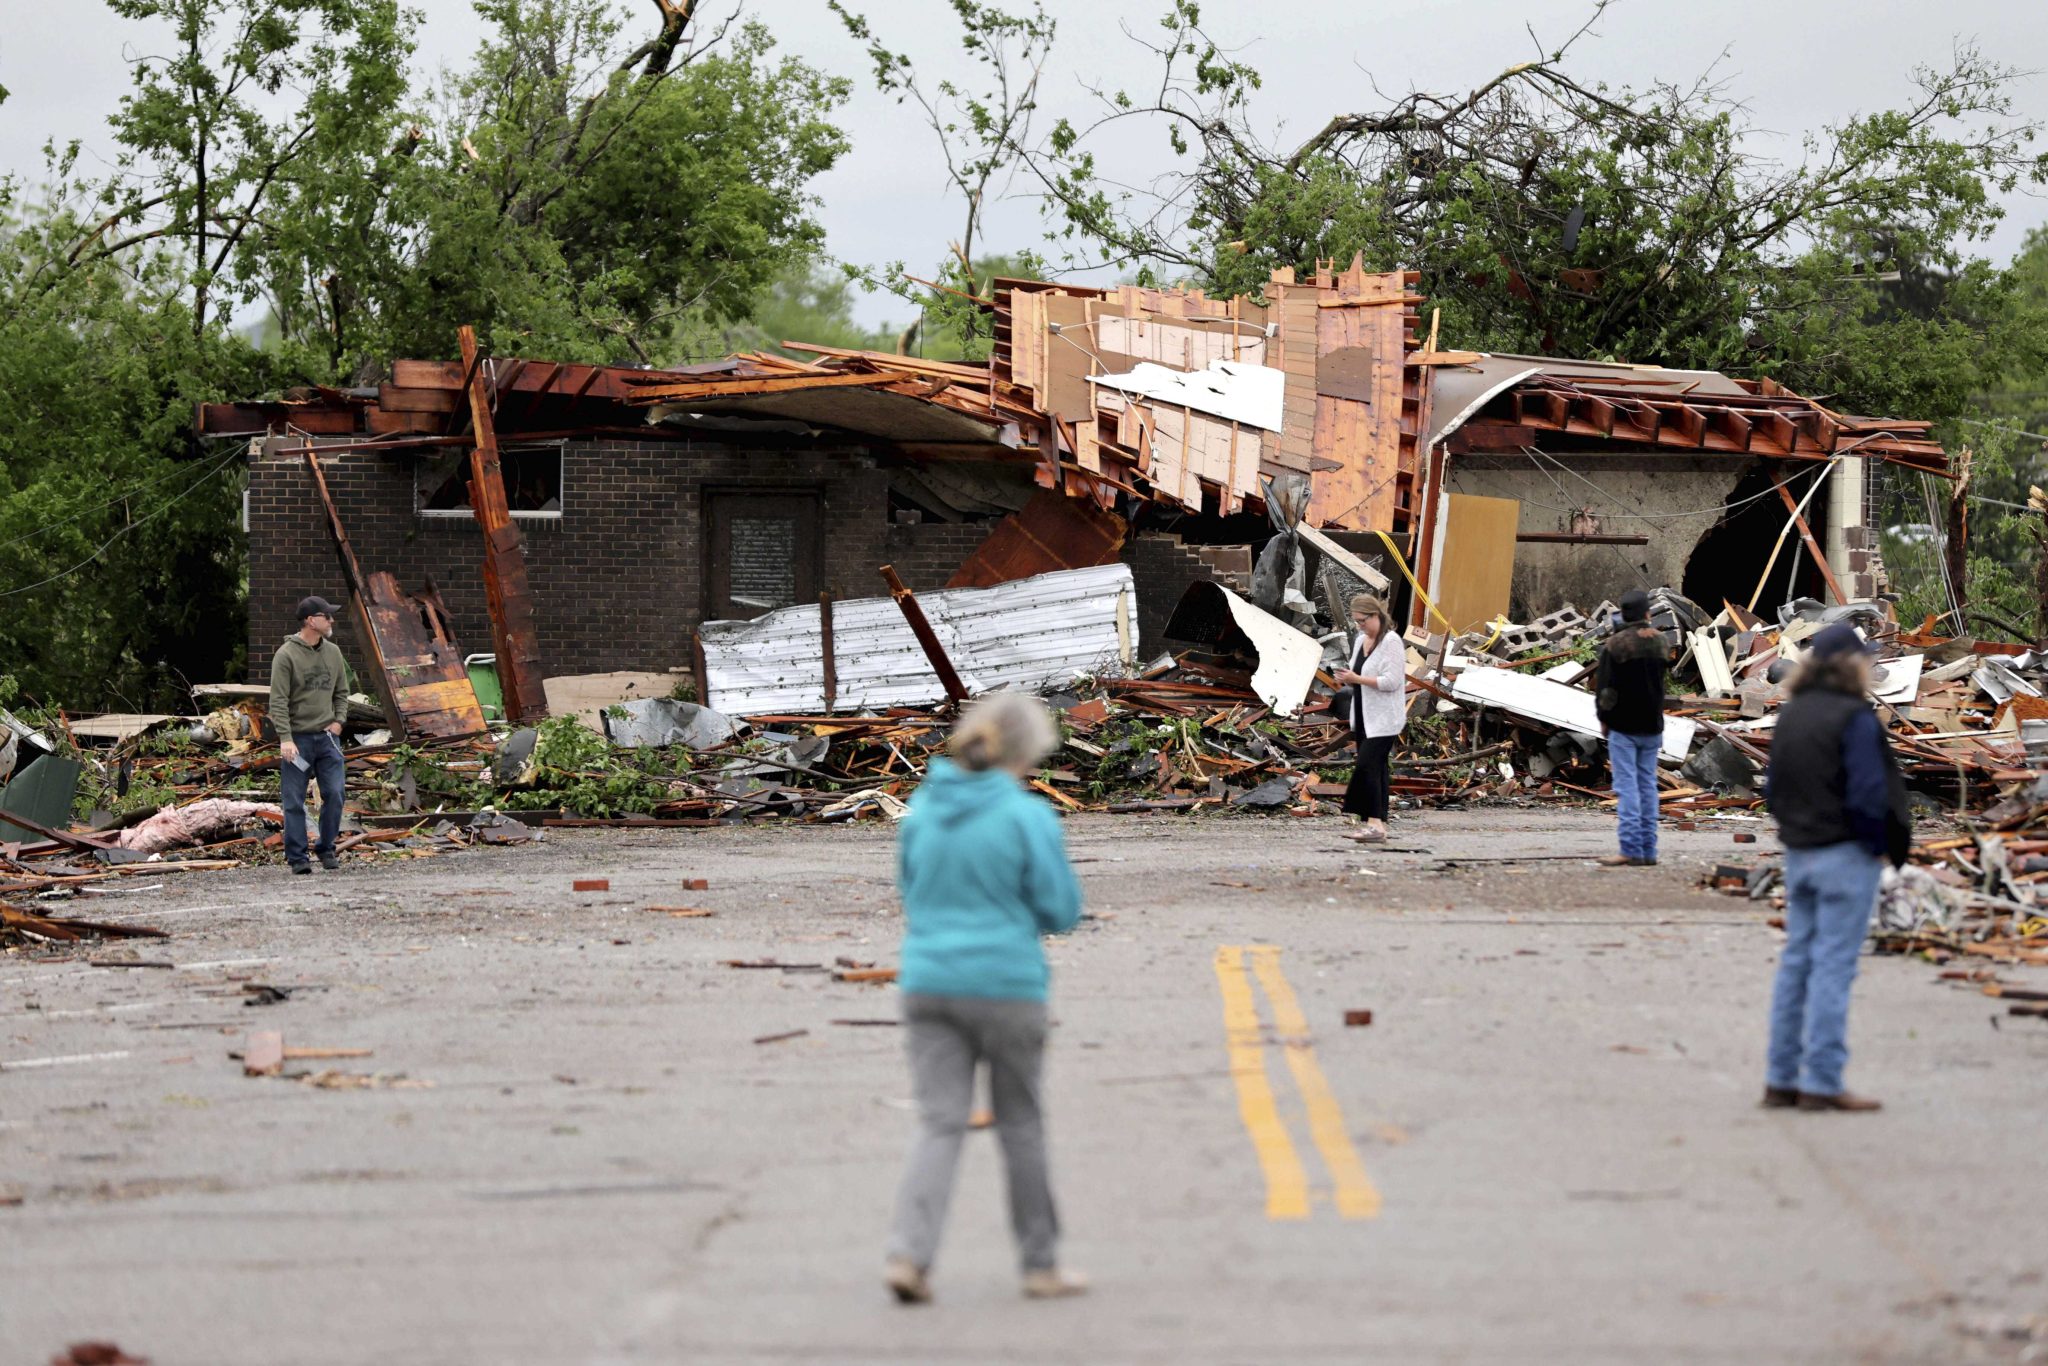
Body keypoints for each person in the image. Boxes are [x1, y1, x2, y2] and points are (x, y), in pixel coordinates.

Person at [885, 692, 1086, 1305]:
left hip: (928, 982)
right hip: (1006, 985)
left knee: (939, 1122)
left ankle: (909, 1255)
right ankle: (1040, 1266)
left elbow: (910, 892)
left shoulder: (922, 811)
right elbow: (1061, 910)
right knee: (1019, 1122)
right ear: (1027, 753)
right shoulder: (1027, 818)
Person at [1761, 622, 1910, 1113]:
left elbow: (1772, 790)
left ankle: (1780, 1080)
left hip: (1800, 853)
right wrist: (1880, 846)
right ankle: (1822, 1083)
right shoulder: (1855, 717)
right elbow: (1870, 793)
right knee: (1832, 967)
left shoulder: (1792, 713)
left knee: (1797, 963)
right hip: (1846, 854)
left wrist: (1795, 831)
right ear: (1851, 665)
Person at [268, 596, 351, 875]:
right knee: (293, 800)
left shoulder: (333, 653)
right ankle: (297, 857)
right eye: (326, 616)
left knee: (335, 794)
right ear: (310, 621)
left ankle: (326, 848)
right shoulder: (286, 655)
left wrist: (339, 722)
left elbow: (342, 692)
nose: (331, 620)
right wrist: (285, 738)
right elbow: (278, 701)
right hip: (298, 740)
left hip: (327, 738)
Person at [1594, 589, 1669, 867]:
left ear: (1623, 615)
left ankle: (1630, 848)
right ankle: (1648, 850)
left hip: (1623, 726)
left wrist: (1604, 718)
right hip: (1652, 725)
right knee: (1647, 786)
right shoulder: (1661, 642)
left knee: (1627, 788)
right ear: (1647, 613)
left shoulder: (1616, 645)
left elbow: (1606, 690)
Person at [1334, 593, 1407, 845]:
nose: (1360, 626)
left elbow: (1392, 681)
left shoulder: (1391, 642)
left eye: (1363, 620)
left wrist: (1357, 679)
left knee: (1368, 766)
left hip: (1385, 718)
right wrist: (1345, 678)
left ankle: (1373, 824)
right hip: (1364, 715)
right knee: (1377, 769)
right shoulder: (1360, 641)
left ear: (1376, 615)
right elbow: (1356, 673)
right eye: (1356, 621)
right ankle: (1378, 825)